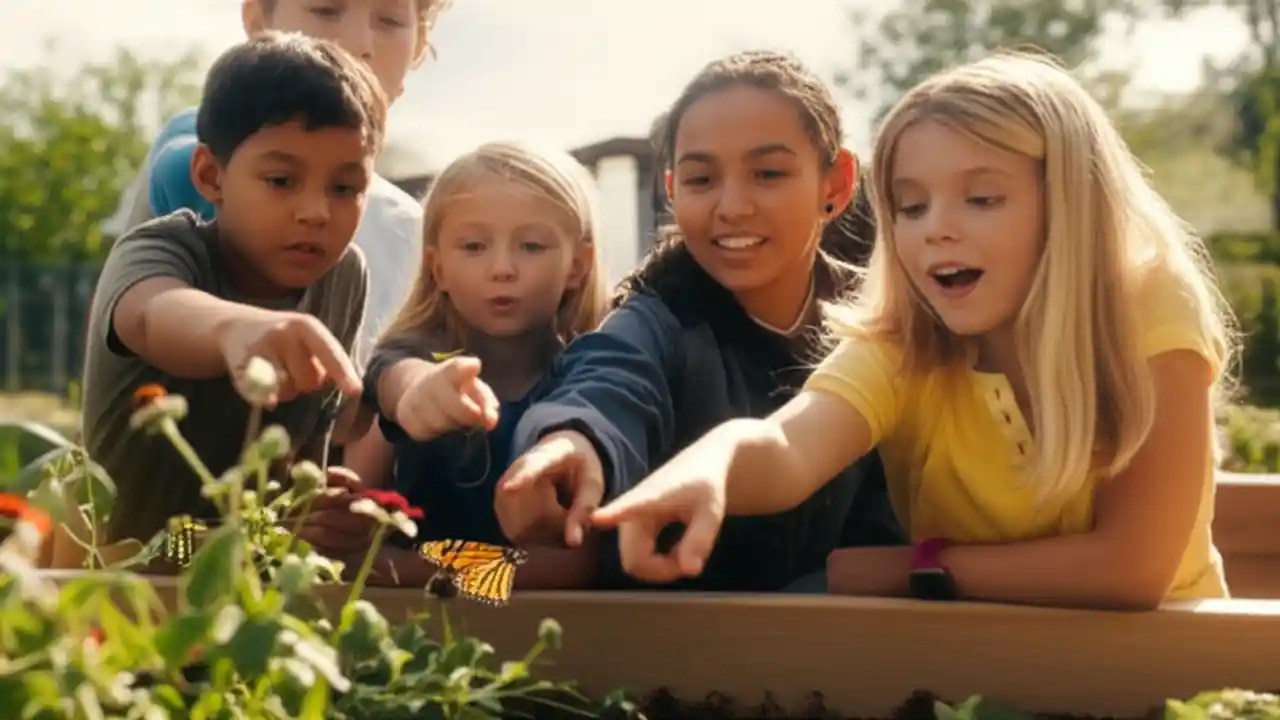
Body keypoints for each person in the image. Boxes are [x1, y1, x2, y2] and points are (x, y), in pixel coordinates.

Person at [589, 51, 1239, 609]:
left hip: (1139, 664)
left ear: (838, 188)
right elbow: (599, 417)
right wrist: (567, 451)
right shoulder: (637, 334)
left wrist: (910, 566)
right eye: (912, 206)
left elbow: (1131, 570)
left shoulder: (1139, 304)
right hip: (661, 595)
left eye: (981, 199)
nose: (936, 229)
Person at [495, 50, 902, 592]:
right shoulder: (658, 321)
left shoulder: (886, 326)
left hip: (844, 645)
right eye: (702, 179)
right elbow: (606, 384)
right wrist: (568, 443)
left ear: (837, 182)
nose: (732, 205)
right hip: (663, 648)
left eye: (768, 173)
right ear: (671, 191)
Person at [79, 32, 386, 545]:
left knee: (458, 575)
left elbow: (315, 445)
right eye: (282, 181)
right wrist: (236, 328)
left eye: (344, 188)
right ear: (210, 175)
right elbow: (154, 314)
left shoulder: (343, 275)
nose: (316, 211)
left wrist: (320, 511)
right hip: (130, 571)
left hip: (256, 574)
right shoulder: (160, 250)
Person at [299, 141, 609, 588]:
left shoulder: (593, 383)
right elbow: (351, 535)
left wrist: (409, 569)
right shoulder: (402, 369)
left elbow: (567, 568)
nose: (502, 268)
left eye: (532, 246)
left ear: (578, 266)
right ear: (437, 267)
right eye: (474, 246)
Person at [122, 0, 451, 361]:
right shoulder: (205, 154)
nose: (358, 43)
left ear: (418, 47)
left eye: (389, 20)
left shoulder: (411, 230)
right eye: (326, 10)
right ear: (258, 20)